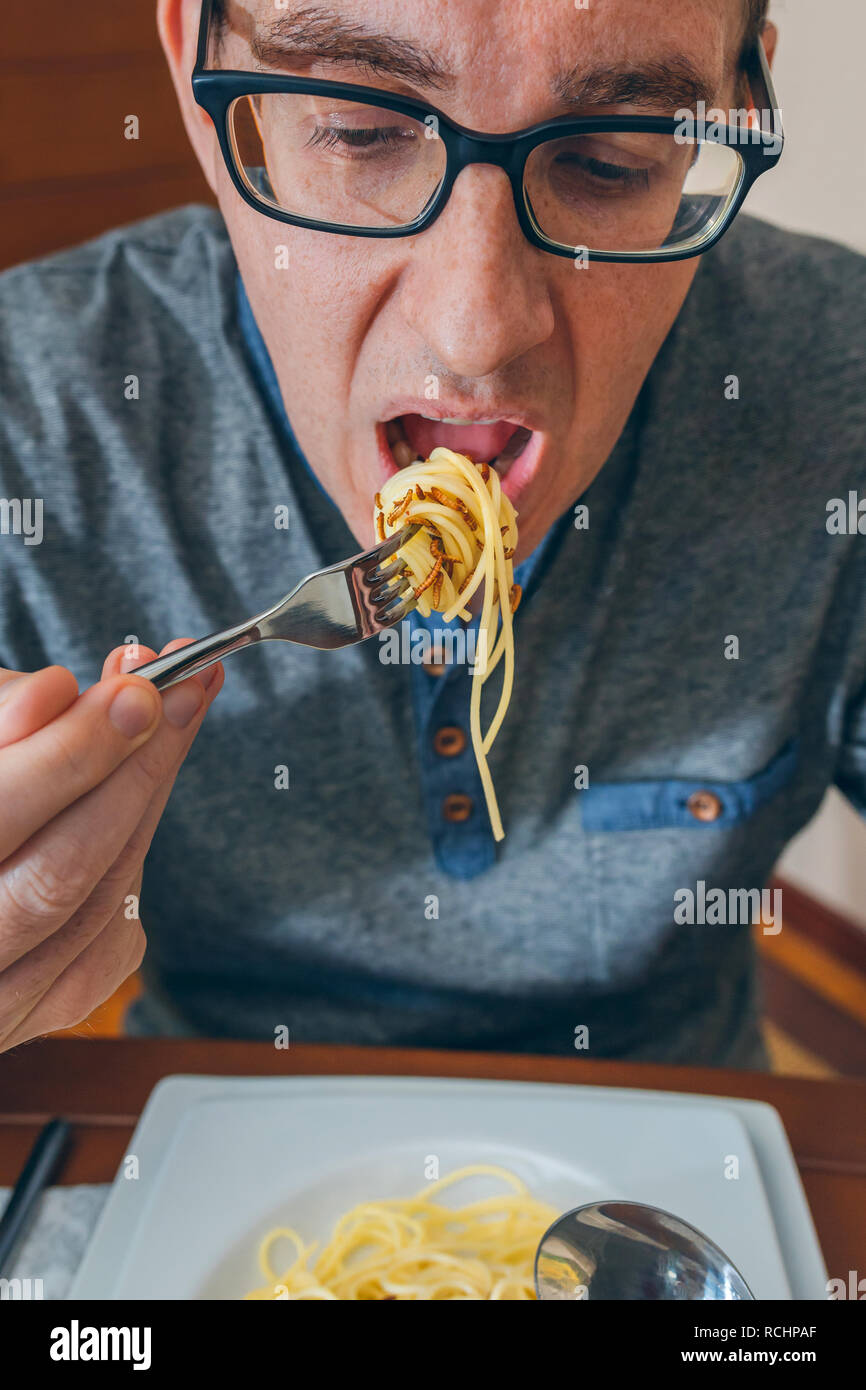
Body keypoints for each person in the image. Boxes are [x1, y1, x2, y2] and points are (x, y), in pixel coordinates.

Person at [0, 0, 862, 1065]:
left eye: (609, 157)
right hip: (204, 1119)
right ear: (191, 70)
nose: (476, 327)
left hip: (683, 1150)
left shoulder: (843, 389)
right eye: (359, 128)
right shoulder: (28, 414)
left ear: (730, 113)